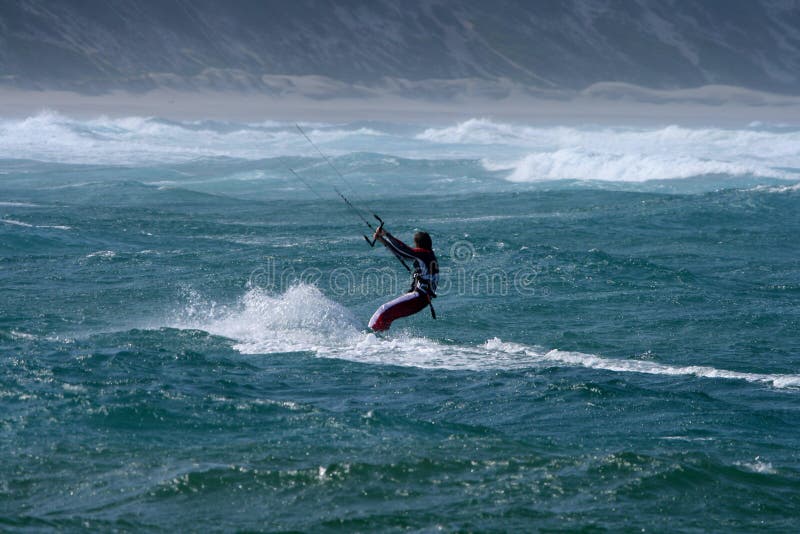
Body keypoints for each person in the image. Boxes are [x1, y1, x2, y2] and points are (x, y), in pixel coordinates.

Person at [368, 228, 439, 332]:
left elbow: (404, 250)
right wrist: (383, 240)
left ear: (418, 244)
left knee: (383, 311)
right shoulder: (428, 256)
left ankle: (367, 337)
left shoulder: (423, 254)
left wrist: (387, 234)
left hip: (419, 297)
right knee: (387, 316)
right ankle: (378, 342)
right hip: (421, 300)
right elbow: (402, 254)